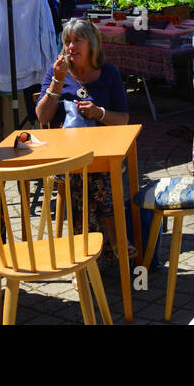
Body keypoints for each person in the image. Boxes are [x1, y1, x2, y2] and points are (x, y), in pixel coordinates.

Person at [36, 18, 130, 260]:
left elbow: (123, 120)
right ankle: (116, 238)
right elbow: (42, 116)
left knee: (88, 175)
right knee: (87, 173)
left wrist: (98, 112)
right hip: (67, 154)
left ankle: (86, 256)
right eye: (67, 41)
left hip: (104, 152)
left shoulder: (109, 73)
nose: (71, 47)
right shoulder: (57, 72)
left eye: (77, 40)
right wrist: (57, 81)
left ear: (92, 45)